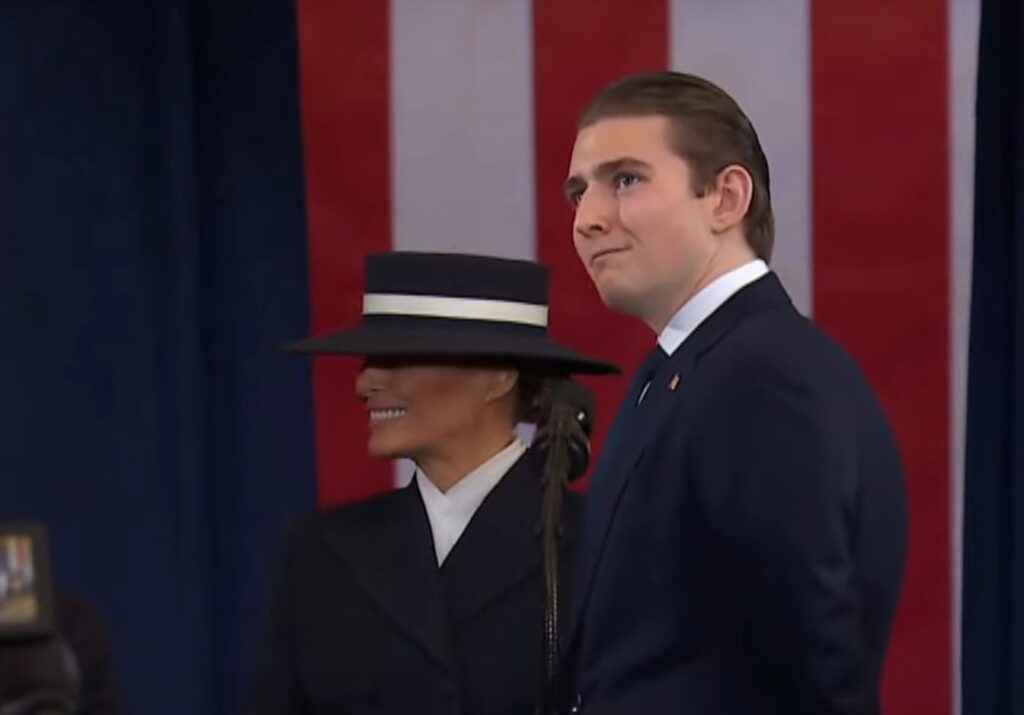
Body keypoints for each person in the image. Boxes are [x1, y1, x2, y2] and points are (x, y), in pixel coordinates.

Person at [561, 70, 908, 714]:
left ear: (725, 197)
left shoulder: (759, 375)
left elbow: (812, 659)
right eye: (578, 193)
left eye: (626, 180)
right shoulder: (695, 367)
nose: (587, 219)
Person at [245, 251, 616, 715]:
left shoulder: (601, 549)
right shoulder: (321, 553)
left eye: (398, 357)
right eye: (369, 360)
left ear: (498, 377)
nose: (365, 382)